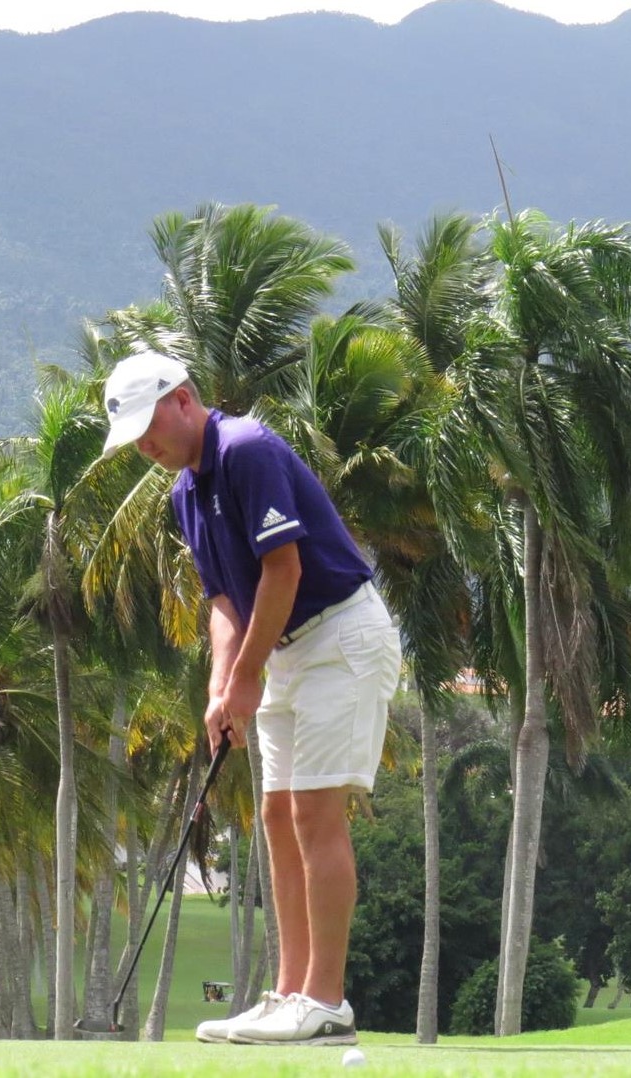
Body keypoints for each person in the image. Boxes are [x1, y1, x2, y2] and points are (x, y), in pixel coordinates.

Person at [99, 349, 400, 1047]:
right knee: (276, 816)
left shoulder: (245, 449)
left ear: (183, 399)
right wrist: (220, 686)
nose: (145, 446)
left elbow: (282, 570)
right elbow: (224, 603)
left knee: (314, 813)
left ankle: (325, 1002)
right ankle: (289, 995)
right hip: (286, 650)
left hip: (340, 637)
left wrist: (247, 676)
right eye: (133, 437)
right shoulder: (185, 492)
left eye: (149, 427)